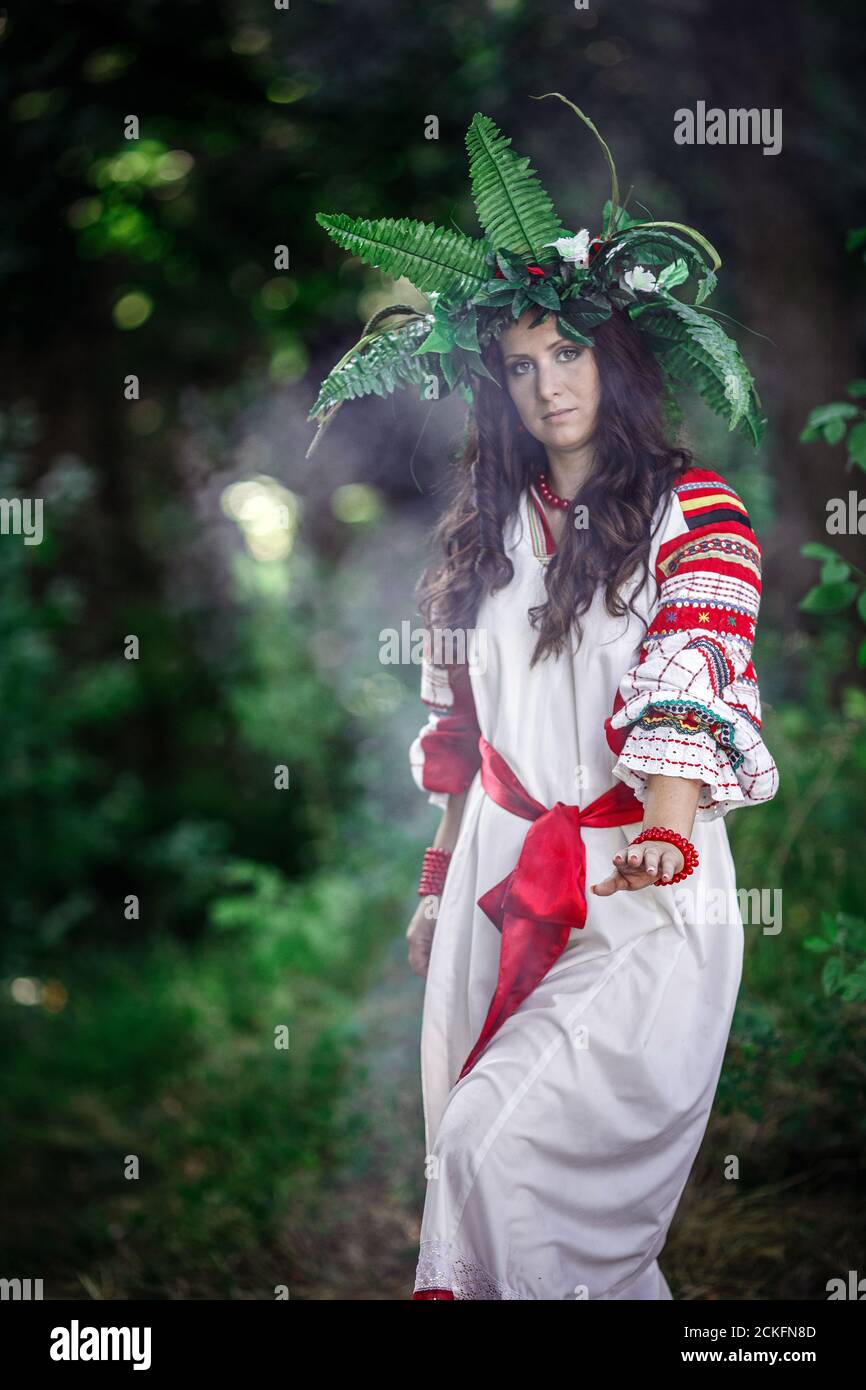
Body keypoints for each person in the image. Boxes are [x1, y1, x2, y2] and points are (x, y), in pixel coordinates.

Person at [309, 98, 779, 1299]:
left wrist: (666, 836)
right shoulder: (479, 536)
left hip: (638, 884)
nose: (544, 384)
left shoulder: (696, 512)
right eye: (517, 366)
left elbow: (697, 658)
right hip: (492, 881)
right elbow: (463, 743)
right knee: (478, 1186)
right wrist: (431, 886)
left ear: (612, 357)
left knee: (501, 1149)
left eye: (564, 354)